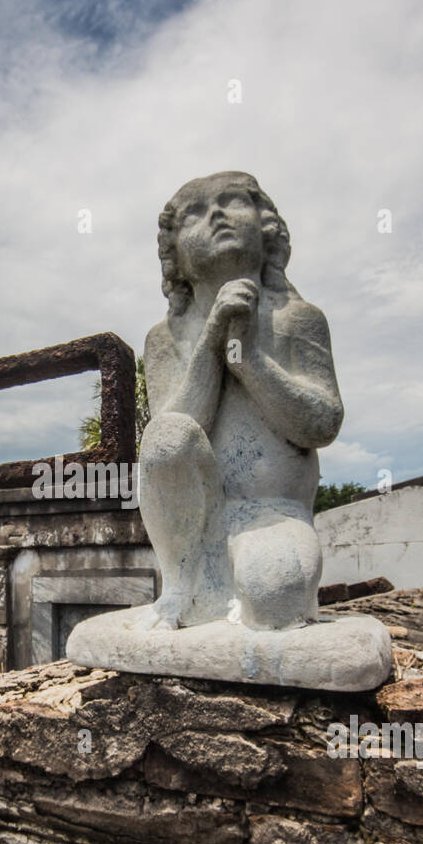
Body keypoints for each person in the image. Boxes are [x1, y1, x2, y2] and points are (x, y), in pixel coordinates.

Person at [133, 171, 343, 634]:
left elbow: (321, 424)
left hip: (272, 516)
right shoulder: (164, 339)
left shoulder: (297, 319)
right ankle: (180, 587)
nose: (217, 217)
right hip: (194, 525)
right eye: (194, 214)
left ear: (266, 230)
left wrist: (249, 361)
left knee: (272, 595)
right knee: (167, 433)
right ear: (176, 259)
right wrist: (212, 340)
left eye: (232, 202)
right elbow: (169, 444)